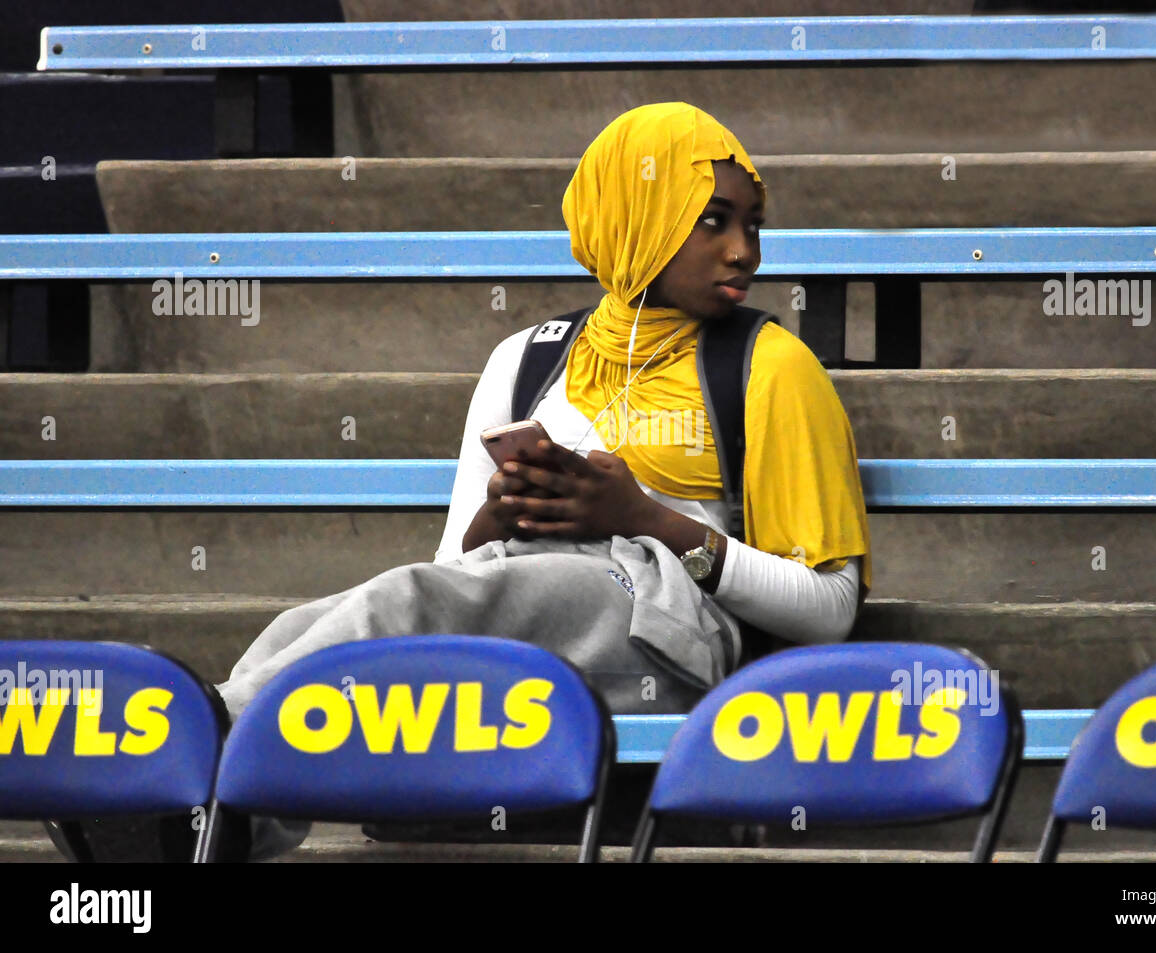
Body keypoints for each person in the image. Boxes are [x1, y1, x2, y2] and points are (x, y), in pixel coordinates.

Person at [52, 101, 871, 862]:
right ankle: (219, 825)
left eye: (752, 225)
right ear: (635, 217)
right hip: (519, 598)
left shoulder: (770, 367)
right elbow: (455, 564)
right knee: (307, 625)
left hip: (662, 623)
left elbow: (832, 609)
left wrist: (645, 516)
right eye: (714, 223)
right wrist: (498, 517)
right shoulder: (528, 359)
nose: (744, 251)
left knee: (402, 607)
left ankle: (171, 765)